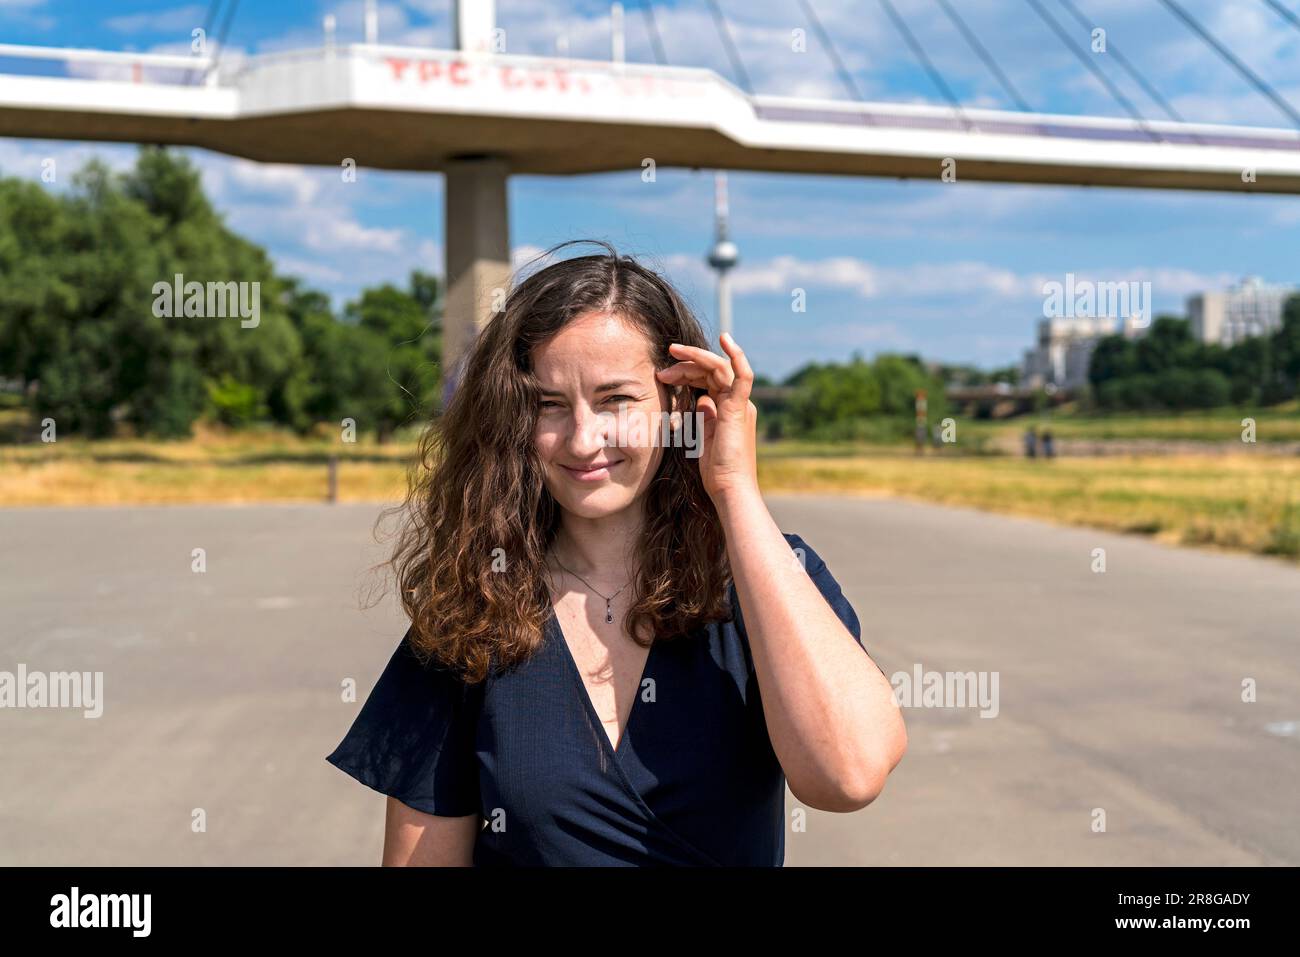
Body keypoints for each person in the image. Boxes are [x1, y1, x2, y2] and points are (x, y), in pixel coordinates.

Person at [325, 240, 906, 866]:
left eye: (616, 400)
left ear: (678, 405)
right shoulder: (475, 604)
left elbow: (847, 776)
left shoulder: (763, 580)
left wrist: (735, 489)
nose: (582, 438)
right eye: (548, 404)